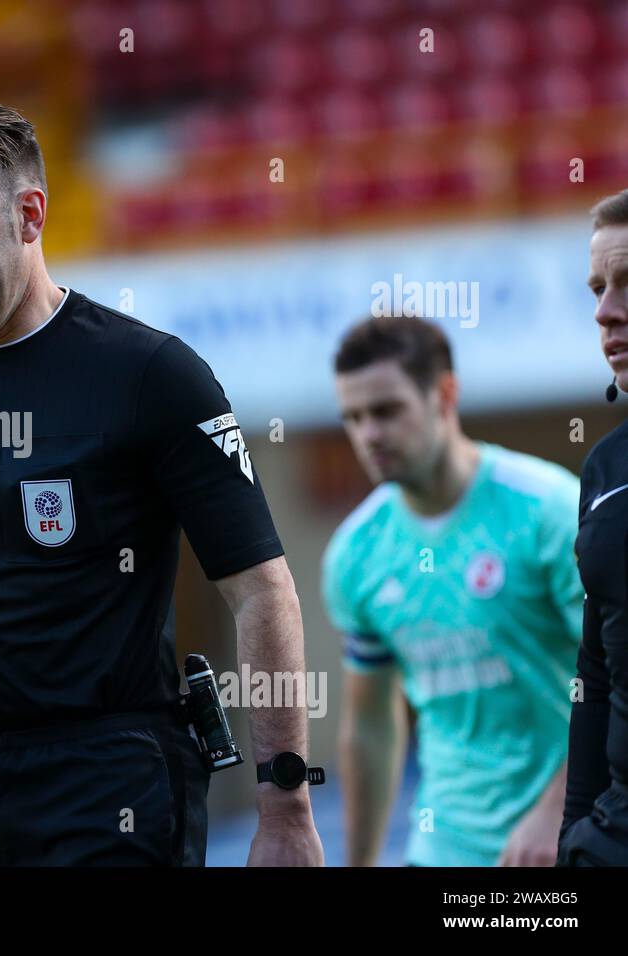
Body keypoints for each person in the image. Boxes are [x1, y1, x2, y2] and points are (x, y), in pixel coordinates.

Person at [0, 98, 324, 866]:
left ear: (30, 214)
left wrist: (285, 807)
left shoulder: (150, 374)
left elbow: (261, 591)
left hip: (120, 776)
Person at [323, 316, 581, 866]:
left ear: (444, 395)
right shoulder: (356, 554)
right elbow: (369, 726)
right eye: (353, 417)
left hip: (560, 846)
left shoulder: (549, 513)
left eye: (386, 411)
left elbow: (619, 681)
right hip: (442, 850)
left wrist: (557, 807)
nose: (368, 434)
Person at [558, 189, 628, 866]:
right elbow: (596, 675)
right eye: (598, 289)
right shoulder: (605, 472)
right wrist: (574, 836)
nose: (606, 311)